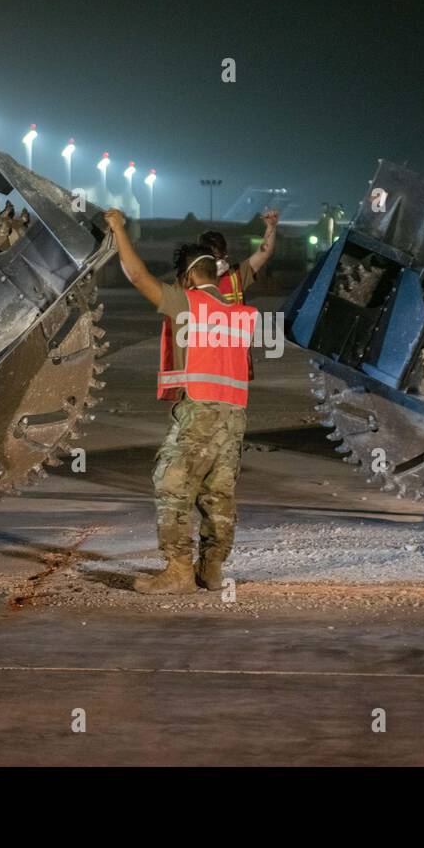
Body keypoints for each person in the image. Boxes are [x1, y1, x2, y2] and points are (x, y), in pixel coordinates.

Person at [103, 208, 256, 594]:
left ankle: (177, 572)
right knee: (218, 493)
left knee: (172, 485)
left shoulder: (189, 304)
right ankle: (212, 570)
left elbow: (138, 276)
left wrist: (119, 229)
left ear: (188, 277)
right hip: (235, 417)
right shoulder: (241, 314)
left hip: (200, 413)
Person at [197, 208, 279, 304]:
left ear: (225, 254)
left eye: (217, 258)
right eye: (210, 258)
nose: (215, 263)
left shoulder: (237, 274)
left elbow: (265, 253)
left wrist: (271, 227)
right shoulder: (190, 281)